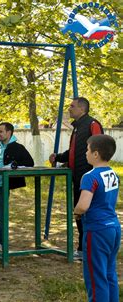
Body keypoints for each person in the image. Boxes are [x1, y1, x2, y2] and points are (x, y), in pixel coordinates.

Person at [49, 97, 103, 260]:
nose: (69, 109)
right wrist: (59, 157)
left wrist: (94, 172)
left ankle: (90, 249)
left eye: (72, 106)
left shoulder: (92, 124)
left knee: (88, 212)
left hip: (89, 178)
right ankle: (83, 248)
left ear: (82, 109)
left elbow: (100, 147)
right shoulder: (77, 127)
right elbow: (75, 152)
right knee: (80, 214)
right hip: (78, 176)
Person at [73, 135, 119, 302]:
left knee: (95, 276)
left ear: (96, 154)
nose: (85, 153)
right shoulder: (113, 174)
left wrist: (75, 213)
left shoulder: (89, 176)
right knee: (109, 273)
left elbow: (84, 205)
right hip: (113, 227)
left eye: (87, 149)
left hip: (97, 230)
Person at [0, 122, 34, 252]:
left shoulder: (18, 147)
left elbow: (30, 163)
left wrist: (14, 165)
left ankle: (1, 242)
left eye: (1, 131)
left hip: (2, 185)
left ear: (9, 132)